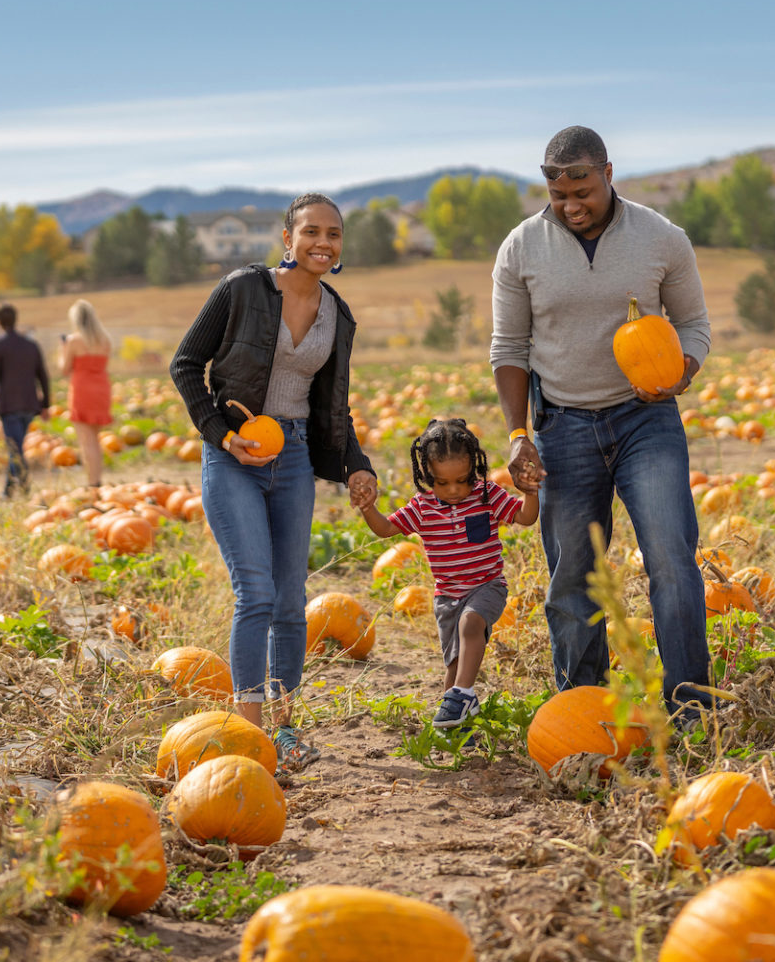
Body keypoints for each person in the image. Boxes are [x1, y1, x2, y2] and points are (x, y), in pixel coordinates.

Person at [490, 125, 712, 720]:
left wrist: (680, 371)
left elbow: (693, 325)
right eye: (558, 193)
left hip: (646, 420)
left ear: (608, 173)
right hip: (562, 425)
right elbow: (509, 347)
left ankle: (692, 706)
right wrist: (518, 436)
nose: (571, 205)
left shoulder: (662, 238)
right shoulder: (521, 247)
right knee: (572, 575)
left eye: (582, 189)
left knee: (670, 556)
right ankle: (583, 711)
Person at [170, 193, 377, 773]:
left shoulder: (339, 314)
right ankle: (247, 733)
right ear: (287, 237)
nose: (323, 242)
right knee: (255, 594)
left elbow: (333, 404)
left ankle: (285, 732)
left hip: (295, 459)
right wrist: (218, 433)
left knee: (290, 601)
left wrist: (357, 464)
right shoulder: (242, 290)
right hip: (235, 455)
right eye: (311, 231)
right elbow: (185, 364)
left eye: (333, 234)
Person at [354, 419, 538, 728]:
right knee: (453, 665)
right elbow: (386, 529)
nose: (453, 490)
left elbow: (525, 516)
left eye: (462, 481)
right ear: (427, 477)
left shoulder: (486, 495)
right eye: (442, 483)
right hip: (446, 597)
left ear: (475, 470)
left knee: (471, 625)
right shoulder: (423, 507)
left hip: (487, 586)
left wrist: (530, 492)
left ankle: (464, 695)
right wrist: (368, 508)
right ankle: (455, 721)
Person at [0, 303, 51, 498]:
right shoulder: (31, 345)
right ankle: (10, 489)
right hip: (29, 403)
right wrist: (46, 404)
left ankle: (24, 486)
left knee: (15, 448)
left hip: (8, 404)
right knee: (17, 446)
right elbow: (43, 376)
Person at [58, 299, 113, 488]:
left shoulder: (74, 341)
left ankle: (93, 483)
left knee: (86, 441)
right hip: (101, 389)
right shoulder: (105, 340)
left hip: (82, 390)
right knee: (95, 441)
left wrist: (62, 348)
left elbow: (64, 369)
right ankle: (96, 481)